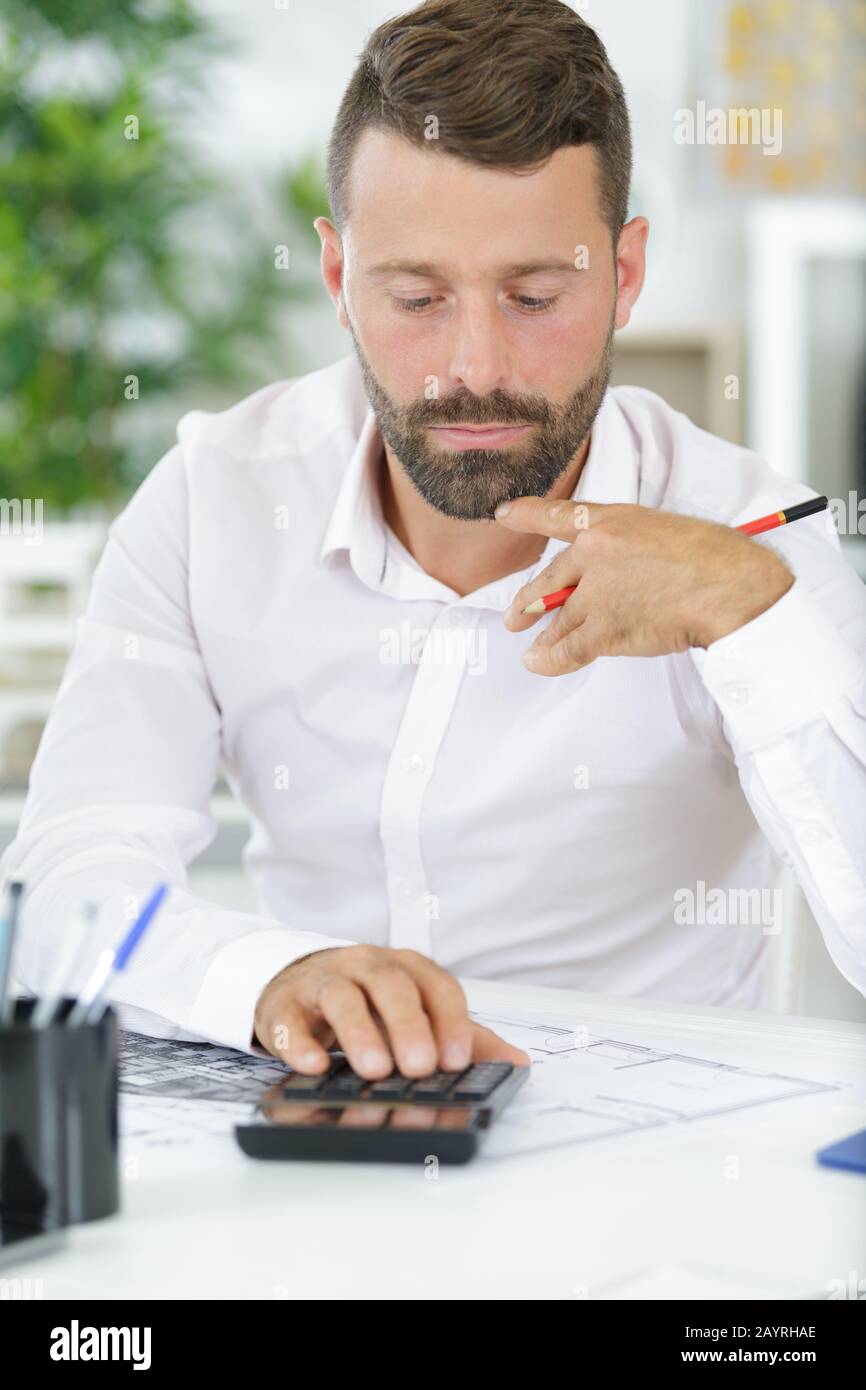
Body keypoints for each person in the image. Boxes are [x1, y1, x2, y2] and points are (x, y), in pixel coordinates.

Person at [3, 0, 865, 1083]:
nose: (472, 365)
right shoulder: (211, 499)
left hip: (649, 1175)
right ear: (335, 277)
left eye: (534, 294)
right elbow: (69, 892)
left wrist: (755, 619)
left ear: (624, 274)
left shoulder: (748, 540)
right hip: (311, 1140)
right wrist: (267, 976)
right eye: (415, 296)